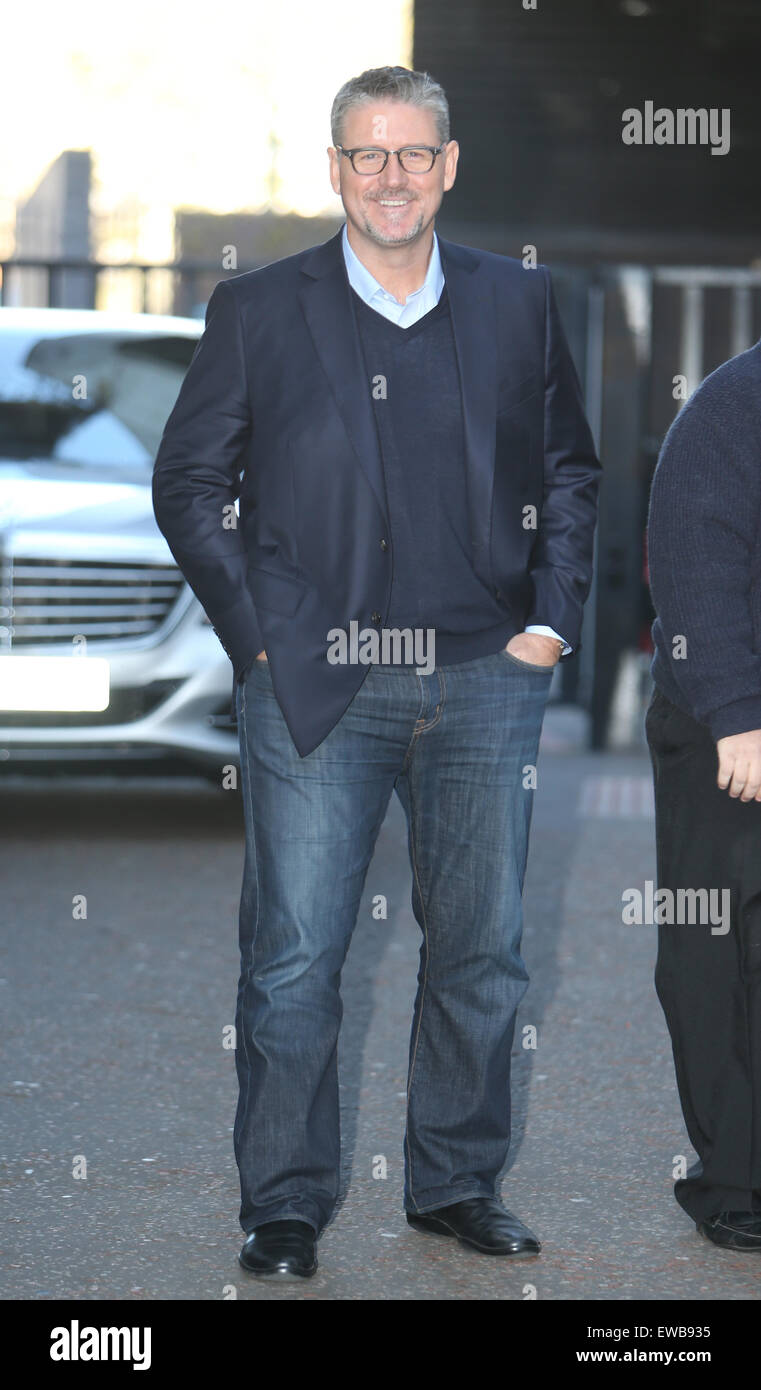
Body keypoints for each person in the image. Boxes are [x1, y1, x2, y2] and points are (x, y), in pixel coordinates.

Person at [153, 65, 600, 1280]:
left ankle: (455, 1184)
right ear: (335, 169)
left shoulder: (520, 302)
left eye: (413, 154)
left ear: (449, 167)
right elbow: (188, 485)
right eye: (367, 155)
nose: (390, 176)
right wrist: (256, 637)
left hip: (483, 681)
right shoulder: (261, 311)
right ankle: (284, 1203)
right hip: (318, 682)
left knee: (484, 951)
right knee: (295, 956)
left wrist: (548, 626)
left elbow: (568, 469)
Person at [647, 340, 761, 1251]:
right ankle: (735, 1181)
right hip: (734, 728)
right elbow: (695, 558)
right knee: (717, 953)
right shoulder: (733, 405)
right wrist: (734, 713)